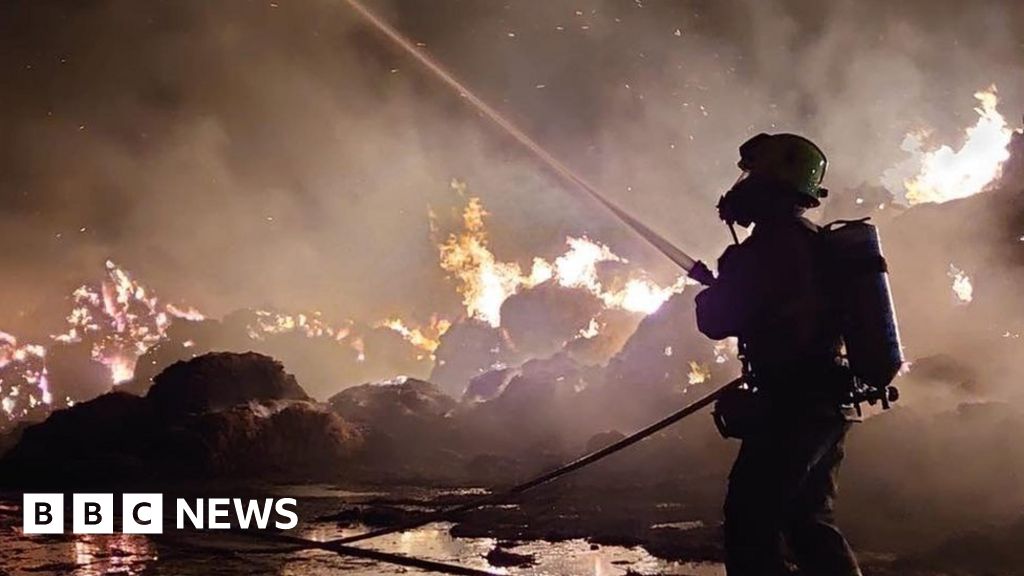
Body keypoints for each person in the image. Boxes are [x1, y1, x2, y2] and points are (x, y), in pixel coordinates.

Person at [694, 133, 862, 576]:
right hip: (828, 402)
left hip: (789, 406)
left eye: (753, 177)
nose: (742, 187)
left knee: (752, 522)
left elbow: (716, 321)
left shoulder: (765, 250)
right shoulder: (814, 241)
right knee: (810, 521)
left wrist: (718, 287)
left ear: (771, 188)